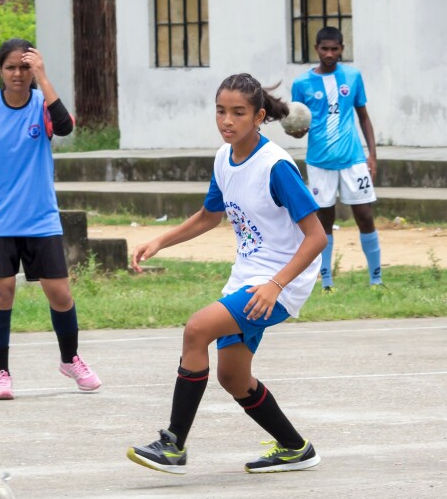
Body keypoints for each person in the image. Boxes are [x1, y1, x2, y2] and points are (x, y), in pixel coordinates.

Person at [127, 73, 326, 474]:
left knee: (197, 329)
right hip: (250, 276)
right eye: (221, 111)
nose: (227, 121)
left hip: (280, 281)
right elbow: (209, 216)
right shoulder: (224, 157)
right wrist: (160, 242)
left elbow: (317, 237)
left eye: (238, 113)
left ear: (259, 117)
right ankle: (295, 448)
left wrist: (275, 285)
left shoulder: (275, 167)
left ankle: (173, 445)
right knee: (234, 377)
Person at [0, 39, 101, 399]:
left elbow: (65, 128)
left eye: (25, 67)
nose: (18, 74)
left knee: (60, 293)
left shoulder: (44, 107)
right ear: (0, 71)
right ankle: (0, 374)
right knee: (1, 294)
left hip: (40, 219)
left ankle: (70, 359)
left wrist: (44, 78)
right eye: (12, 67)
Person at [288, 25, 381, 291]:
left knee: (364, 215)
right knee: (323, 222)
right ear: (316, 49)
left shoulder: (353, 77)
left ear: (342, 49)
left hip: (353, 160)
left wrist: (371, 155)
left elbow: (363, 116)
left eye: (335, 48)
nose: (329, 53)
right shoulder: (302, 84)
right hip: (319, 162)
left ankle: (376, 279)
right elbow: (297, 125)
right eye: (324, 48)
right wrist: (297, 132)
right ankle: (326, 281)